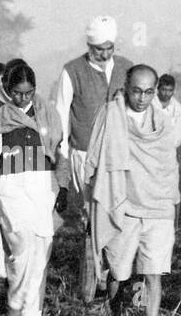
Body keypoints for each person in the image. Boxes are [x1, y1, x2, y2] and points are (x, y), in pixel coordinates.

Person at [85, 66, 179, 316]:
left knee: (154, 271)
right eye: (136, 90)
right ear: (126, 87)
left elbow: (170, 166)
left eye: (149, 92)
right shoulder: (111, 115)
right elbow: (93, 160)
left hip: (158, 207)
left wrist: (173, 202)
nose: (142, 97)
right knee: (119, 272)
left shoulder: (162, 123)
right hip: (122, 205)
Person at [0, 63, 69, 316]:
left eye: (29, 92)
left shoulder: (48, 114)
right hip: (11, 190)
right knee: (21, 251)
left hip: (43, 188)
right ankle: (15, 304)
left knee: (41, 249)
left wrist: (62, 187)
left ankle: (29, 314)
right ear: (7, 91)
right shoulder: (0, 118)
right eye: (17, 93)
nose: (23, 98)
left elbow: (59, 151)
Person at [53, 16, 133, 298]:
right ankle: (92, 280)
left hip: (119, 154)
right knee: (91, 214)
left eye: (109, 47)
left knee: (118, 212)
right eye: (98, 48)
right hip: (84, 154)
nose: (104, 53)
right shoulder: (71, 71)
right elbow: (61, 117)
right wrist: (62, 159)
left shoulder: (126, 68)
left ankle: (114, 276)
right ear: (89, 45)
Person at [153, 72, 181, 225]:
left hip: (169, 154)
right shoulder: (151, 104)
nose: (166, 93)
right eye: (163, 89)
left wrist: (167, 145)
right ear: (158, 89)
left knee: (173, 191)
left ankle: (174, 226)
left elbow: (178, 135)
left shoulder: (176, 107)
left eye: (169, 90)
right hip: (150, 153)